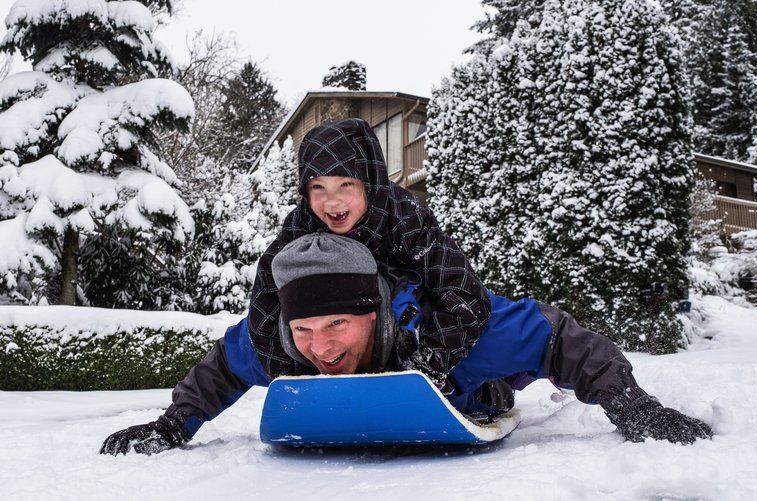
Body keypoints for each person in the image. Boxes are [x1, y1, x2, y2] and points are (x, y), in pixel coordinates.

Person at [100, 233, 713, 456]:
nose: (321, 347)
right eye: (306, 330)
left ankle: (489, 388)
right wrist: (173, 426)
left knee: (485, 377)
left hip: (462, 373)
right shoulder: (279, 343)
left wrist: (629, 403)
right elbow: (221, 369)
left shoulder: (446, 325)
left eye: (337, 326)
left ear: (375, 313)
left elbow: (558, 337)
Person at [248, 118, 491, 390]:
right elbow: (264, 306)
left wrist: (425, 365)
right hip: (336, 331)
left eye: (345, 185)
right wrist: (297, 379)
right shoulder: (301, 227)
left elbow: (462, 292)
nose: (332, 201)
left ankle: (488, 389)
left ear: (368, 182)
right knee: (242, 343)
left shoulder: (404, 217)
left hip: (408, 318)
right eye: (318, 187)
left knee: (490, 325)